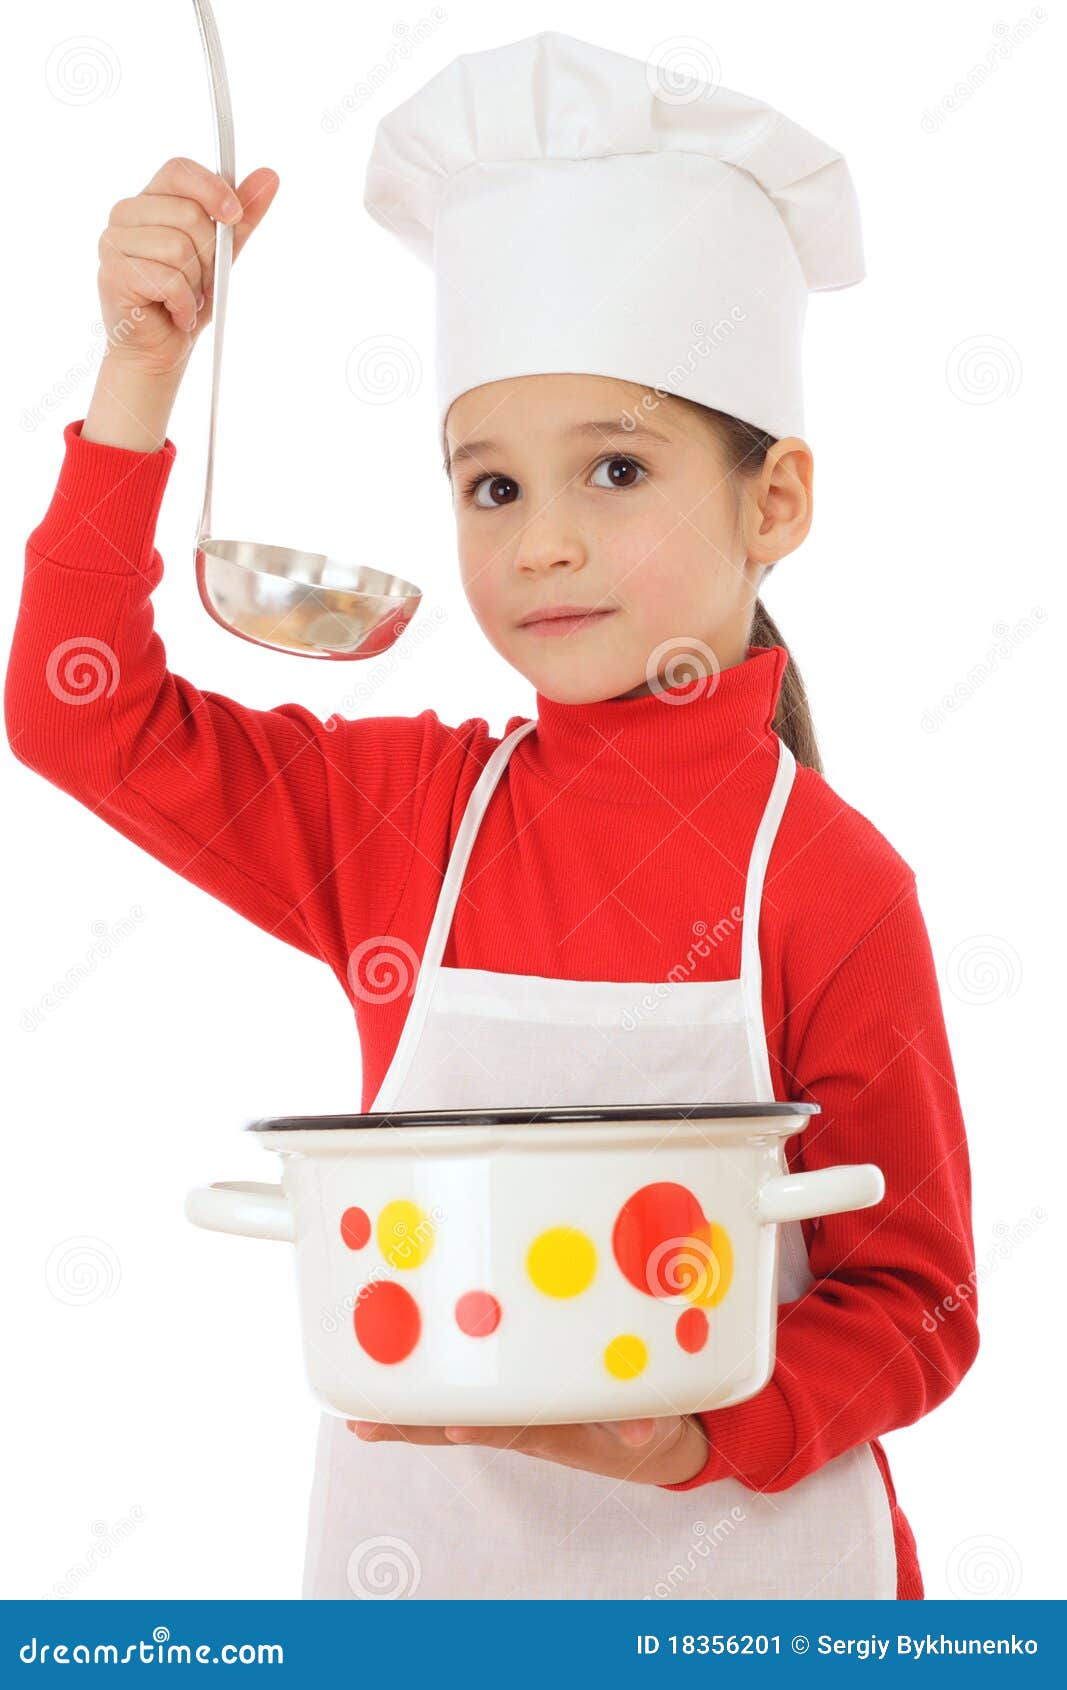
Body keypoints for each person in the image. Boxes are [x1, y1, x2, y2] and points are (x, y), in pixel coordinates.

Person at [6, 31, 978, 1600]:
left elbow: (921, 1302)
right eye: (493, 486)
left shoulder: (832, 883)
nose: (541, 545)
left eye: (616, 469)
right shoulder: (411, 817)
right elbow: (81, 709)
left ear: (775, 501)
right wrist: (138, 374)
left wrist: (692, 1434)